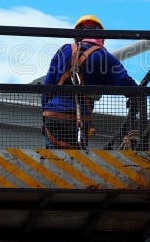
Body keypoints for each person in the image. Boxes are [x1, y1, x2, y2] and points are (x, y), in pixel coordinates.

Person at [42, 15, 137, 148]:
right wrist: (137, 96)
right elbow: (125, 82)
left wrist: (44, 113)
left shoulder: (64, 50)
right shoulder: (105, 57)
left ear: (77, 34)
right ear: (101, 36)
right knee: (77, 162)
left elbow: (48, 86)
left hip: (53, 115)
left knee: (53, 161)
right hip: (80, 119)